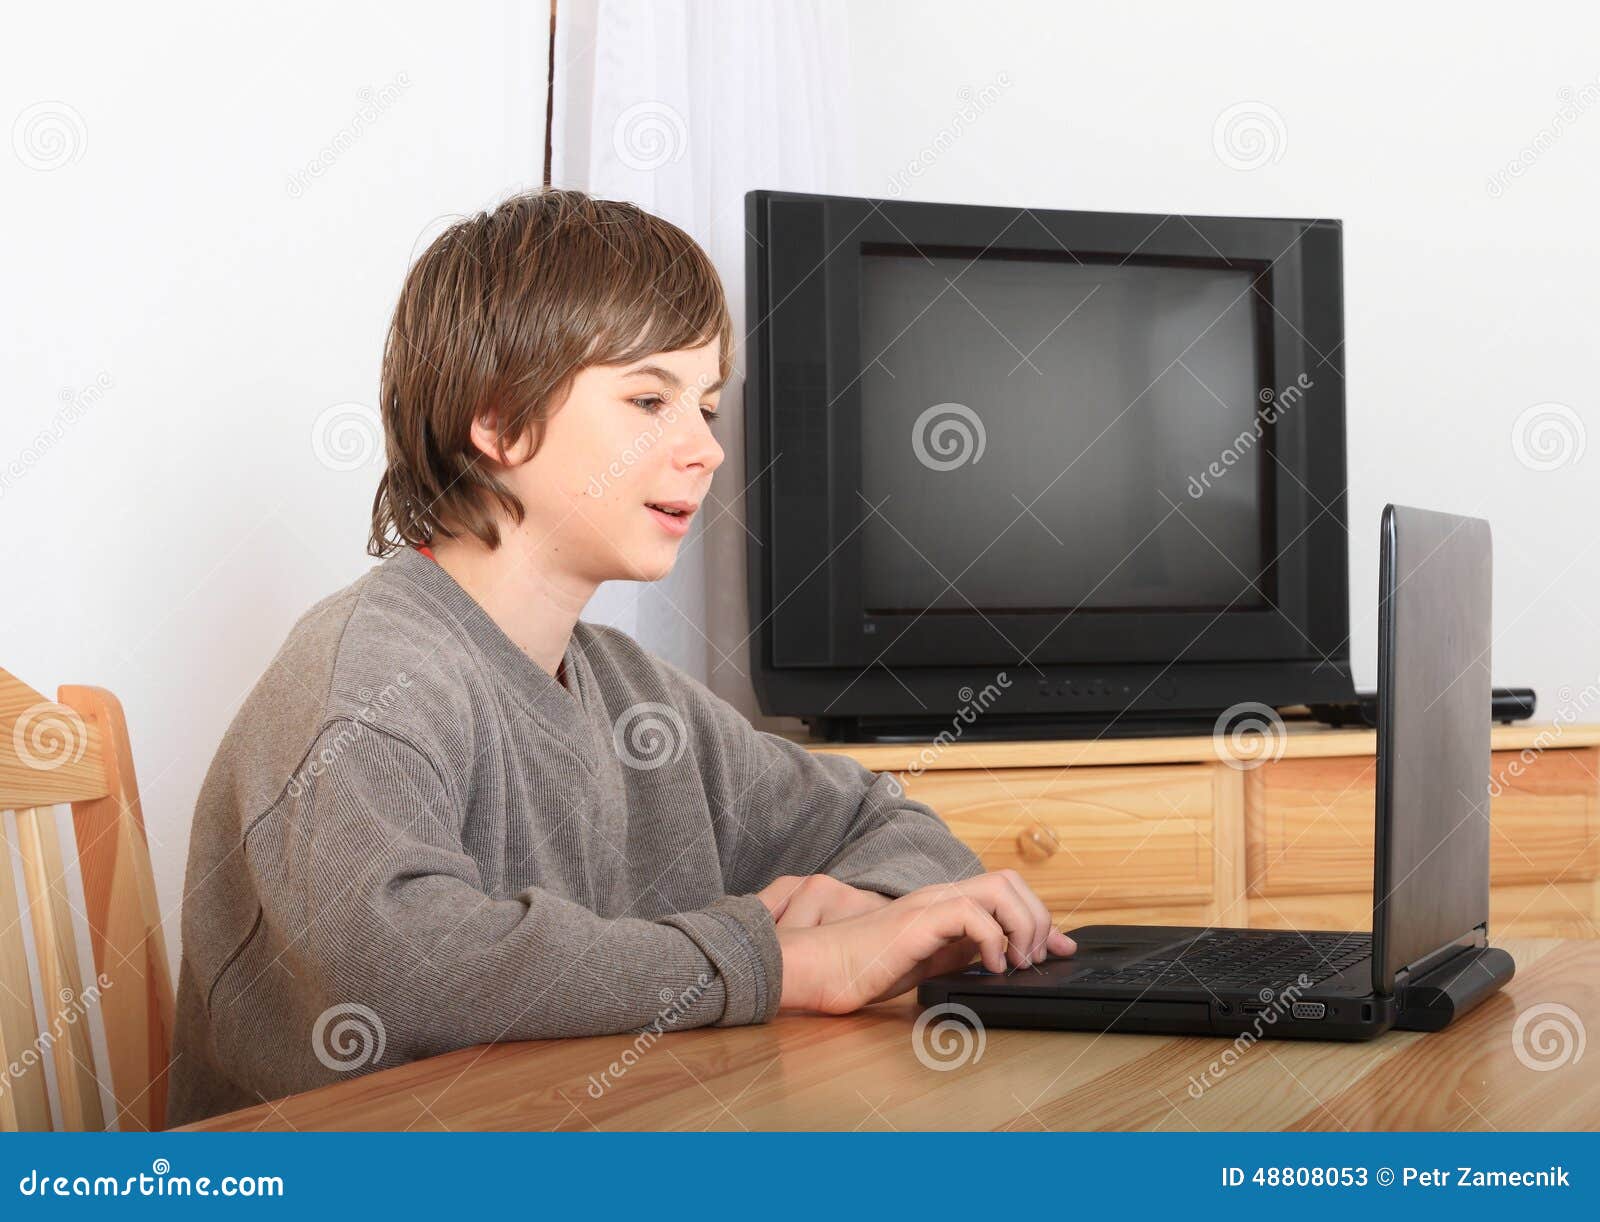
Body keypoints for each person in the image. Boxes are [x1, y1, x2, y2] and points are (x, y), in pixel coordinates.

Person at [166, 189, 1074, 1127]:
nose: (707, 450)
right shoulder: (368, 675)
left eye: (708, 405)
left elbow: (889, 823)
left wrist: (859, 913)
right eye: (649, 400)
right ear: (501, 421)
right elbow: (403, 965)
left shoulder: (632, 694)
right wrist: (781, 960)